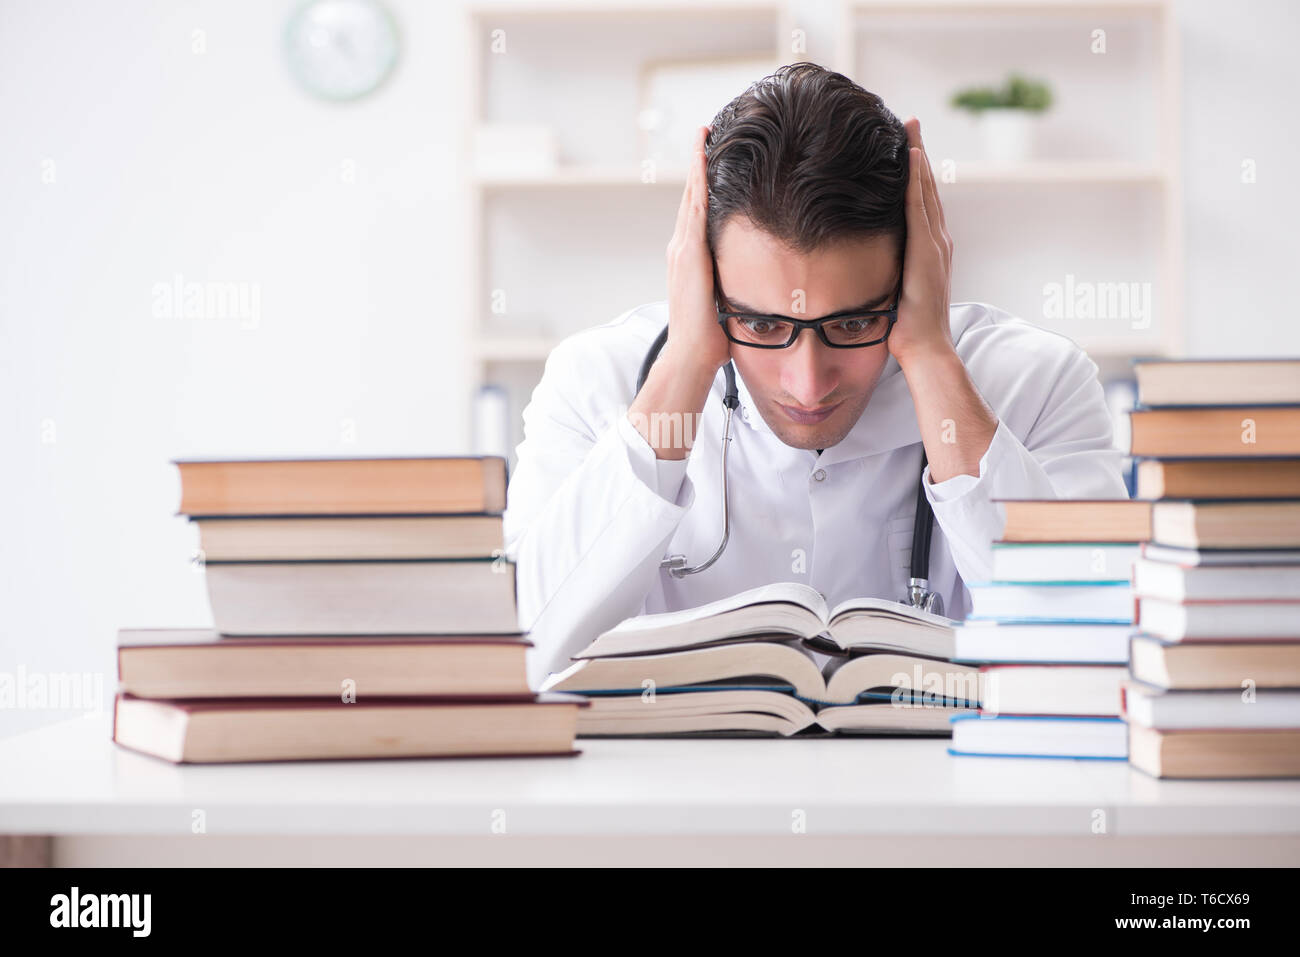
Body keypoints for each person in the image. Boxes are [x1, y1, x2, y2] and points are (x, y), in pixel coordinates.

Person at [503, 62, 1128, 686]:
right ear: (702, 275)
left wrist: (932, 356)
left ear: (918, 270)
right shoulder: (597, 381)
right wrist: (689, 361)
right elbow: (527, 649)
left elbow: (1093, 651)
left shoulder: (1038, 385)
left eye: (854, 325)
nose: (807, 385)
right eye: (764, 325)